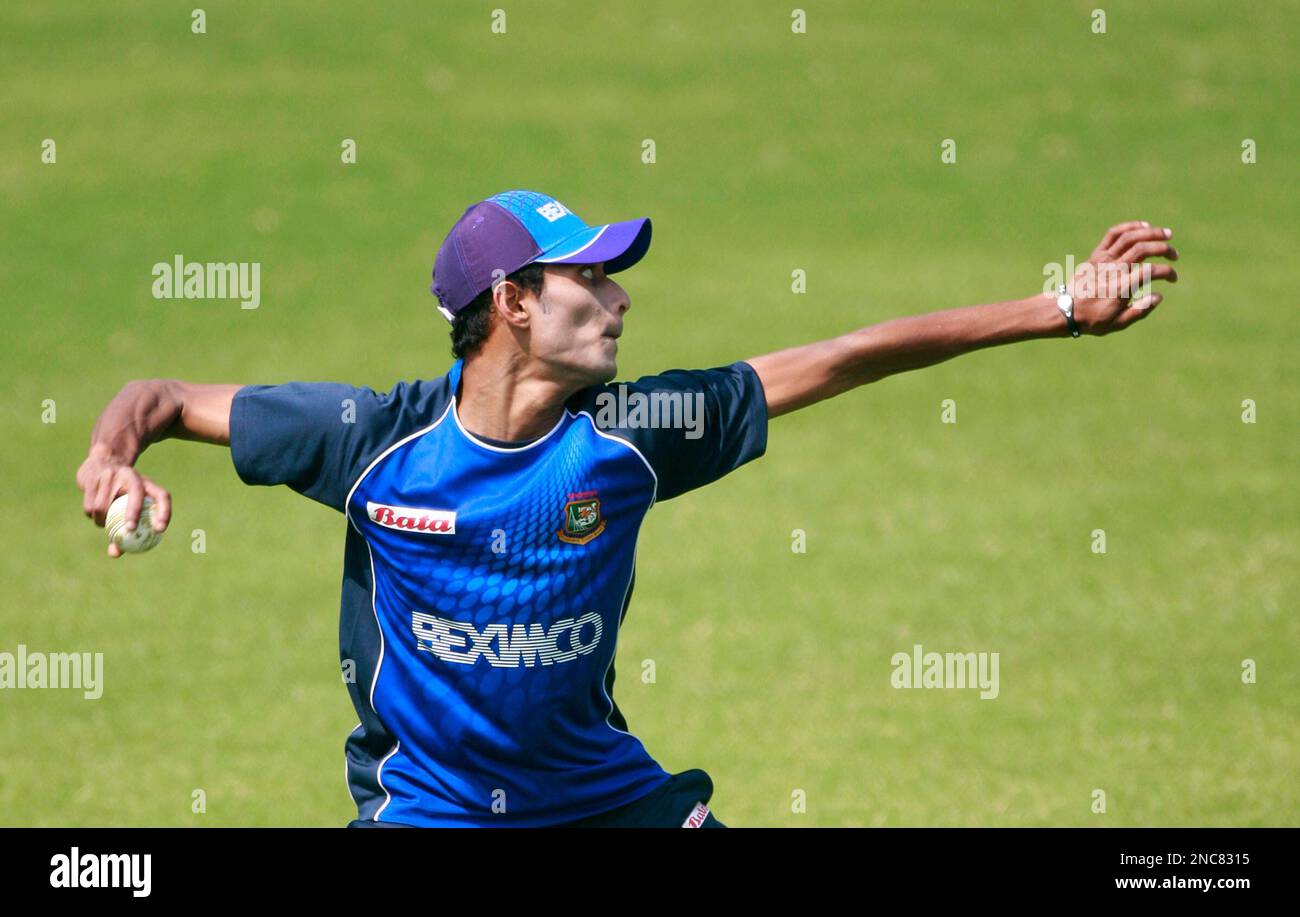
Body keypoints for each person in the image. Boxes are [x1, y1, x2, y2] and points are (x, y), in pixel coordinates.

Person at [76, 189, 1177, 827]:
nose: (618, 297)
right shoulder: (371, 442)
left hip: (601, 797)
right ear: (510, 303)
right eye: (586, 279)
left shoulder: (633, 435)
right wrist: (111, 453)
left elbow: (846, 355)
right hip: (433, 809)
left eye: (612, 276)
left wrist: (1057, 310)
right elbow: (161, 397)